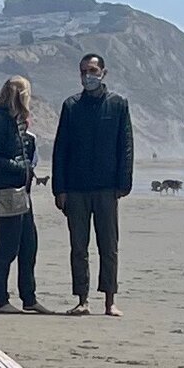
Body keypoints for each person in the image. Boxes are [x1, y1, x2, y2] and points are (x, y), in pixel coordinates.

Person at [51, 52, 133, 317]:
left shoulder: (118, 104)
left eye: (94, 71)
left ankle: (110, 301)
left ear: (104, 73)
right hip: (76, 188)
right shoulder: (71, 105)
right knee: (79, 247)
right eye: (85, 71)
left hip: (107, 188)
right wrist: (59, 189)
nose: (89, 76)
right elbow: (60, 148)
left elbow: (126, 146)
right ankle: (82, 299)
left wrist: (124, 183)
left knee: (108, 245)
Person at [0, 76, 45, 313]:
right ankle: (1, 300)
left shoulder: (18, 120)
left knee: (29, 245)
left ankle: (29, 298)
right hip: (6, 190)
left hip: (22, 191)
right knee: (7, 247)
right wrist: (22, 167)